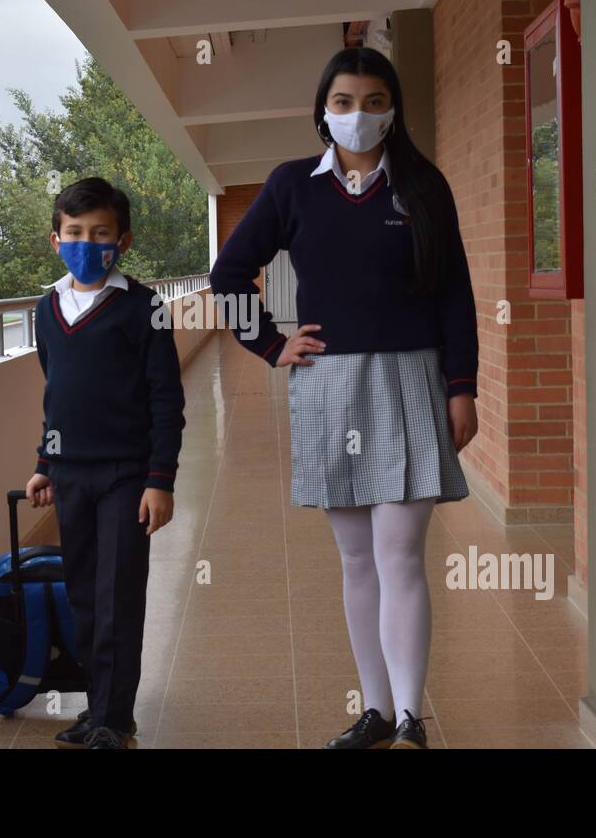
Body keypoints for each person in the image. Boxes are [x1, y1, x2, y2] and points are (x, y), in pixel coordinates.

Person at [208, 47, 479, 749]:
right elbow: (230, 273)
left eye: (375, 101)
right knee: (357, 559)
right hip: (330, 386)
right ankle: (378, 713)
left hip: (412, 381)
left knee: (399, 554)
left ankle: (413, 715)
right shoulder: (292, 185)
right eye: (344, 102)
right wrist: (271, 345)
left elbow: (455, 294)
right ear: (322, 111)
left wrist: (462, 387)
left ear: (394, 110)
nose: (360, 115)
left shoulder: (423, 186)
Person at [24, 176, 186, 749]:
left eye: (100, 234)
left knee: (119, 596)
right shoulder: (46, 309)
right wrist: (46, 461)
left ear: (124, 241)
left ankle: (116, 719)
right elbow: (57, 393)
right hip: (70, 476)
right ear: (55, 239)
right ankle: (98, 710)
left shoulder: (145, 307)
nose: (86, 243)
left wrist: (159, 480)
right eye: (74, 233)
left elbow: (167, 398)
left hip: (126, 476)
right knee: (86, 596)